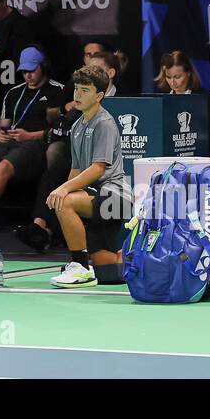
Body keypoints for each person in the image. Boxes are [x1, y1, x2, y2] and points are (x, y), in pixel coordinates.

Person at [46, 64, 132, 288]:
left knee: (64, 201)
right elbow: (76, 171)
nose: (77, 95)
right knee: (110, 272)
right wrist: (66, 188)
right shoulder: (76, 126)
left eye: (85, 90)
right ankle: (131, 253)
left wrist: (63, 191)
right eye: (76, 89)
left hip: (116, 199)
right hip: (95, 197)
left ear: (99, 96)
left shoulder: (104, 123)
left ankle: (80, 266)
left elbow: (97, 169)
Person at [0, 47, 67, 210]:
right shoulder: (13, 93)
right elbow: (1, 127)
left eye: (32, 70)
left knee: (3, 167)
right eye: (24, 71)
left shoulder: (58, 91)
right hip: (8, 141)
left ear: (43, 67)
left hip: (35, 142)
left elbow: (60, 130)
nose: (27, 75)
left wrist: (29, 136)